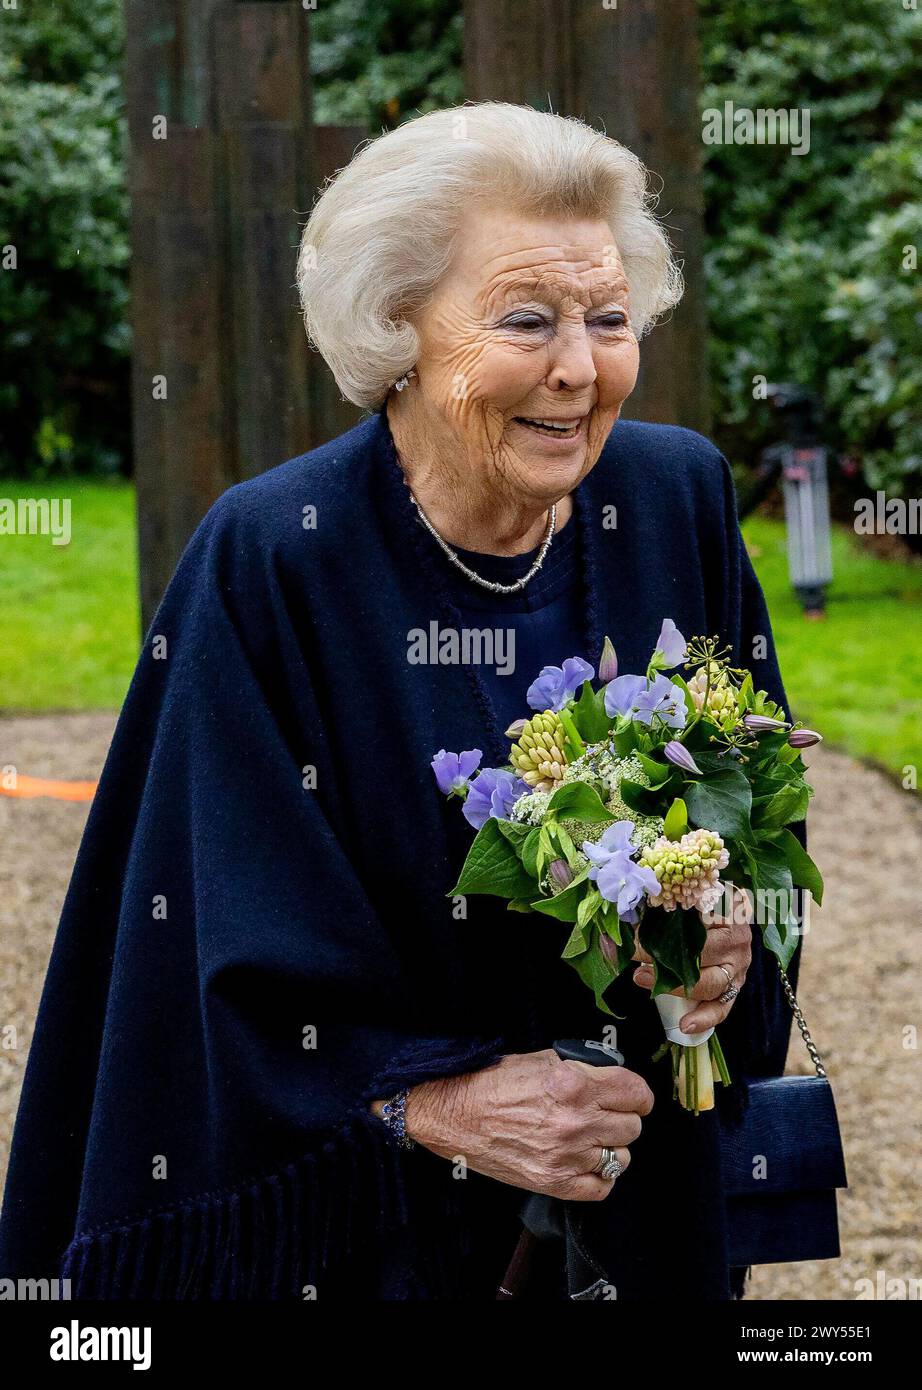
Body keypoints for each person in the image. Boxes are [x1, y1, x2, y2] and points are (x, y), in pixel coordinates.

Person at [0, 102, 803, 1301]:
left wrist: (719, 943)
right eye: (526, 320)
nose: (578, 369)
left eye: (609, 318)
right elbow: (209, 957)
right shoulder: (275, 559)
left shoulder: (674, 496)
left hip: (635, 1187)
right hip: (377, 1237)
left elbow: (760, 818)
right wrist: (433, 1102)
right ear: (396, 329)